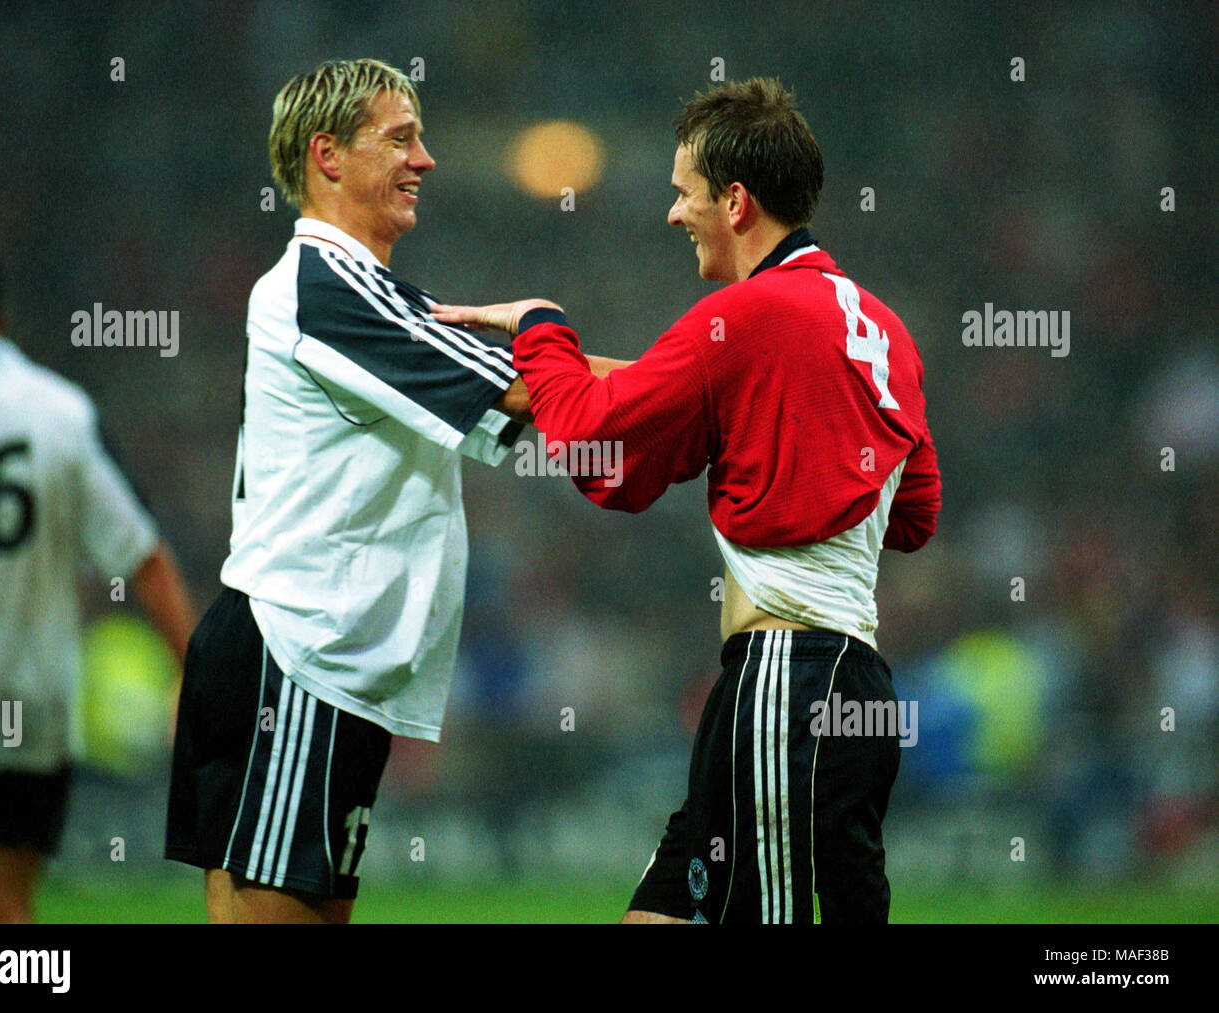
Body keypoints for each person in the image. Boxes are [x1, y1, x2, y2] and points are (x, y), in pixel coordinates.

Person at [433, 78, 941, 924]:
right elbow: (914, 515)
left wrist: (541, 327)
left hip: (787, 685)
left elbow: (598, 447)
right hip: (843, 681)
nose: (673, 214)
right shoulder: (880, 328)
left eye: (683, 194)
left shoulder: (742, 317)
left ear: (736, 202)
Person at [164, 58, 623, 924]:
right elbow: (533, 387)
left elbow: (531, 394)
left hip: (322, 665)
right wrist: (723, 383)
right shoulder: (324, 286)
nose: (427, 159)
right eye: (402, 138)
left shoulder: (369, 294)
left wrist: (714, 383)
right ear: (327, 155)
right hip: (294, 655)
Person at [0, 242, 194, 924]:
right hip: (30, 702)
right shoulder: (62, 411)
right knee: (8, 909)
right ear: (3, 316)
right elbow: (144, 557)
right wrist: (194, 669)